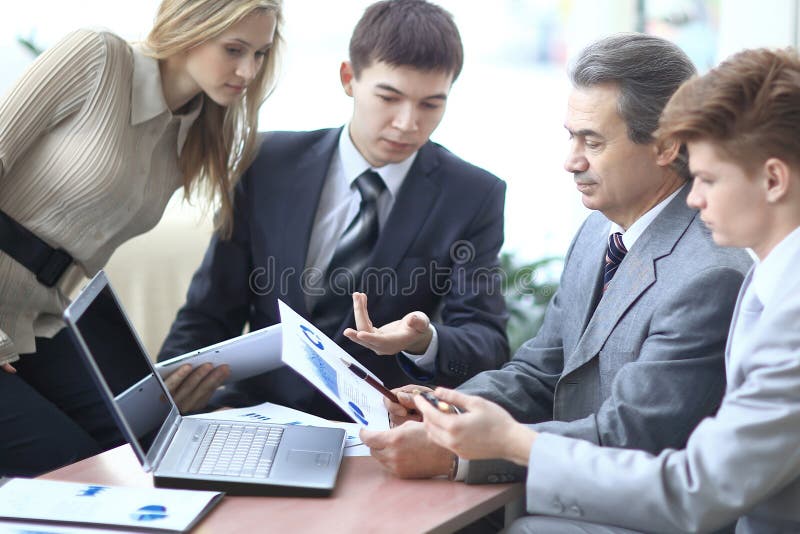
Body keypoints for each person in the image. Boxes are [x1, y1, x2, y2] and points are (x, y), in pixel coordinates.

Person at [418, 46, 800, 534]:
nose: (695, 195)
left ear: (772, 179)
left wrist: (503, 444)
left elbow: (689, 481)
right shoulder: (605, 233)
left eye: (706, 177)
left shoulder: (742, 286)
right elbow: (543, 368)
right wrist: (445, 408)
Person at [360, 33, 753, 482]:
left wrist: (457, 456)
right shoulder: (596, 232)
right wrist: (443, 408)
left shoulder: (709, 275)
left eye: (593, 142)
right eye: (571, 137)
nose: (571, 161)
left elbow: (632, 435)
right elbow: (540, 371)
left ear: (667, 145)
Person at [158, 0, 509, 420]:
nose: (407, 123)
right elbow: (210, 310)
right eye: (389, 96)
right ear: (348, 78)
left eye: (431, 104)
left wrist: (424, 340)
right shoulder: (266, 162)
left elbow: (487, 341)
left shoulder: (473, 195)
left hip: (381, 431)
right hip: (254, 413)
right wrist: (160, 407)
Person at [0, 0, 283, 476]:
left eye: (259, 54)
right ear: (190, 26)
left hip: (39, 320)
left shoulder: (195, 134)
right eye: (234, 49)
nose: (248, 70)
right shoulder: (96, 55)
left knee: (146, 453)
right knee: (75, 471)